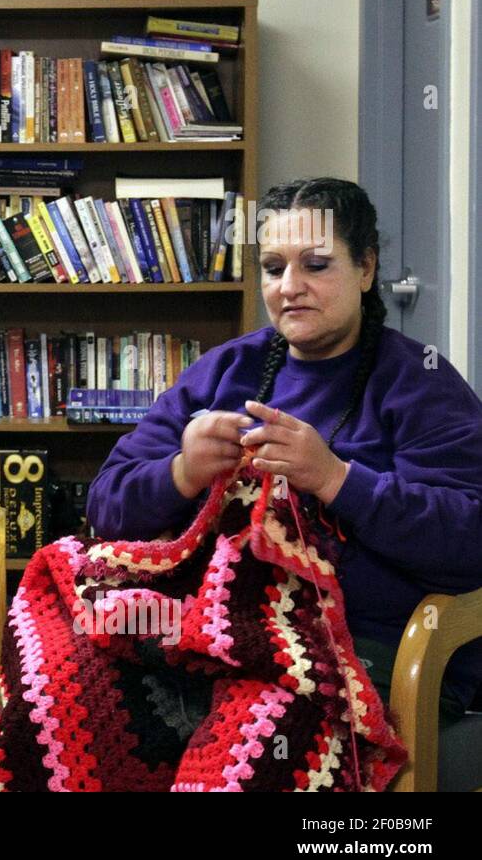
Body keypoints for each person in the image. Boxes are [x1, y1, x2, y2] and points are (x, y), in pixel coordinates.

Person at [88, 177, 482, 718]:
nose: (289, 286)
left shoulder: (421, 381)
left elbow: (469, 541)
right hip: (216, 629)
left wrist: (335, 479)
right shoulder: (225, 370)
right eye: (274, 268)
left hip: (369, 647)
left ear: (366, 269)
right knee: (74, 688)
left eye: (315, 265)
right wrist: (183, 471)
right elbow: (105, 504)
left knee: (247, 721)